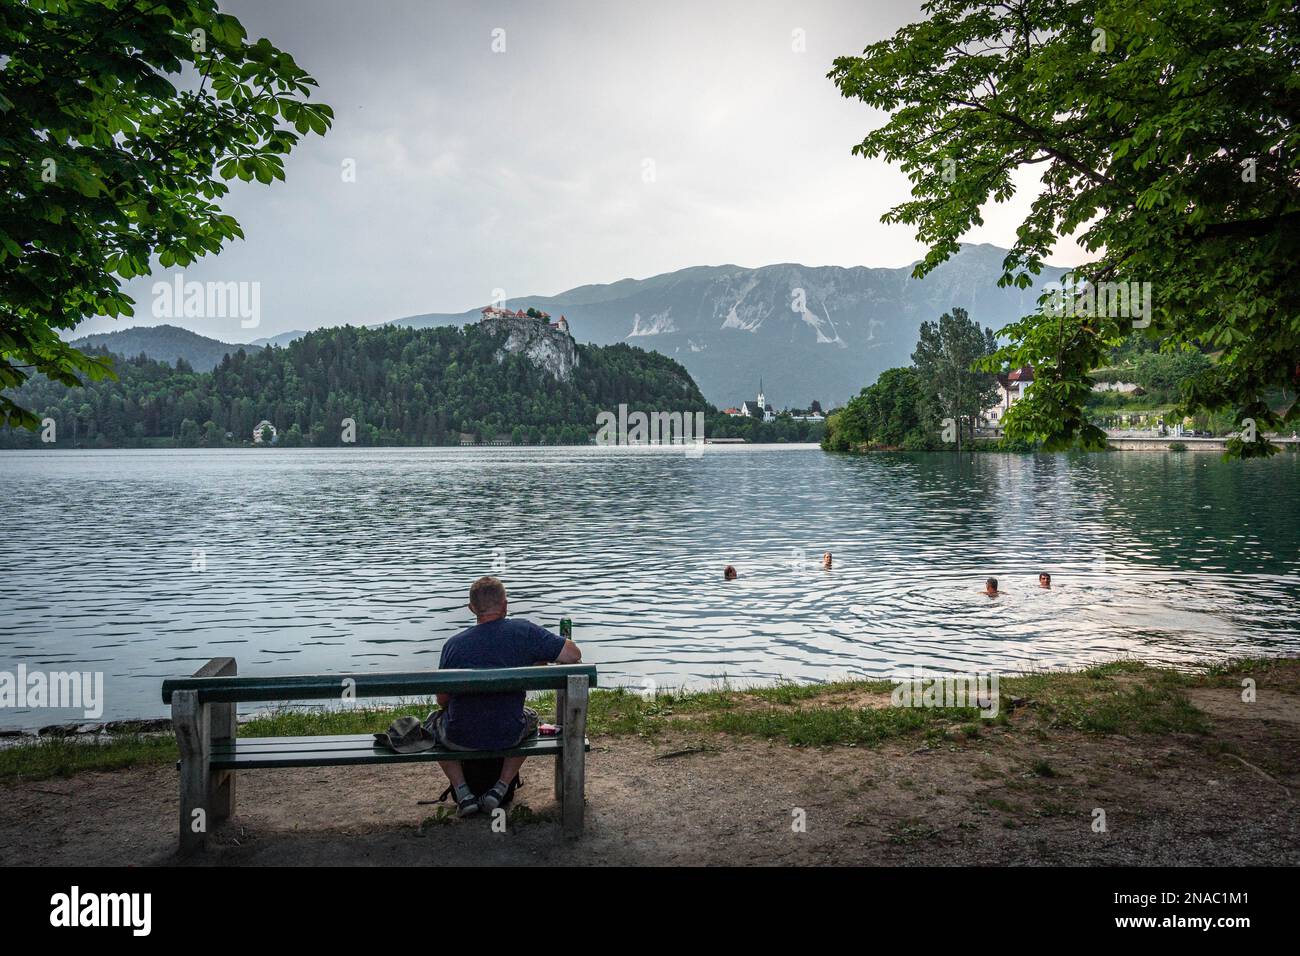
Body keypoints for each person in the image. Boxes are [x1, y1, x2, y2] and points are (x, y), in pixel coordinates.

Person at [432, 576, 581, 817]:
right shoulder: (523, 631)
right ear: (505, 605)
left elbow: (442, 700)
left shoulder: (453, 645)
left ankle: (462, 792)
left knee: (433, 724)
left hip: (459, 736)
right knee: (532, 720)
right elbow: (573, 655)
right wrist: (534, 659)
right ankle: (500, 787)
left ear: (471, 609)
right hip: (508, 733)